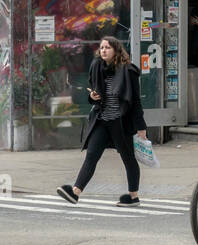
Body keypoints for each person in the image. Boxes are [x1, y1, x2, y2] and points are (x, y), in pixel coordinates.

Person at [57, 36, 147, 207]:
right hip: (102, 120)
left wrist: (140, 127)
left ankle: (133, 196)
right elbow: (94, 94)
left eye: (108, 47)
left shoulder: (128, 71)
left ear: (116, 50)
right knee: (91, 155)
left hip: (120, 123)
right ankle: (75, 192)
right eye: (102, 47)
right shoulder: (97, 66)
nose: (104, 50)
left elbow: (135, 102)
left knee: (128, 158)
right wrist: (92, 97)